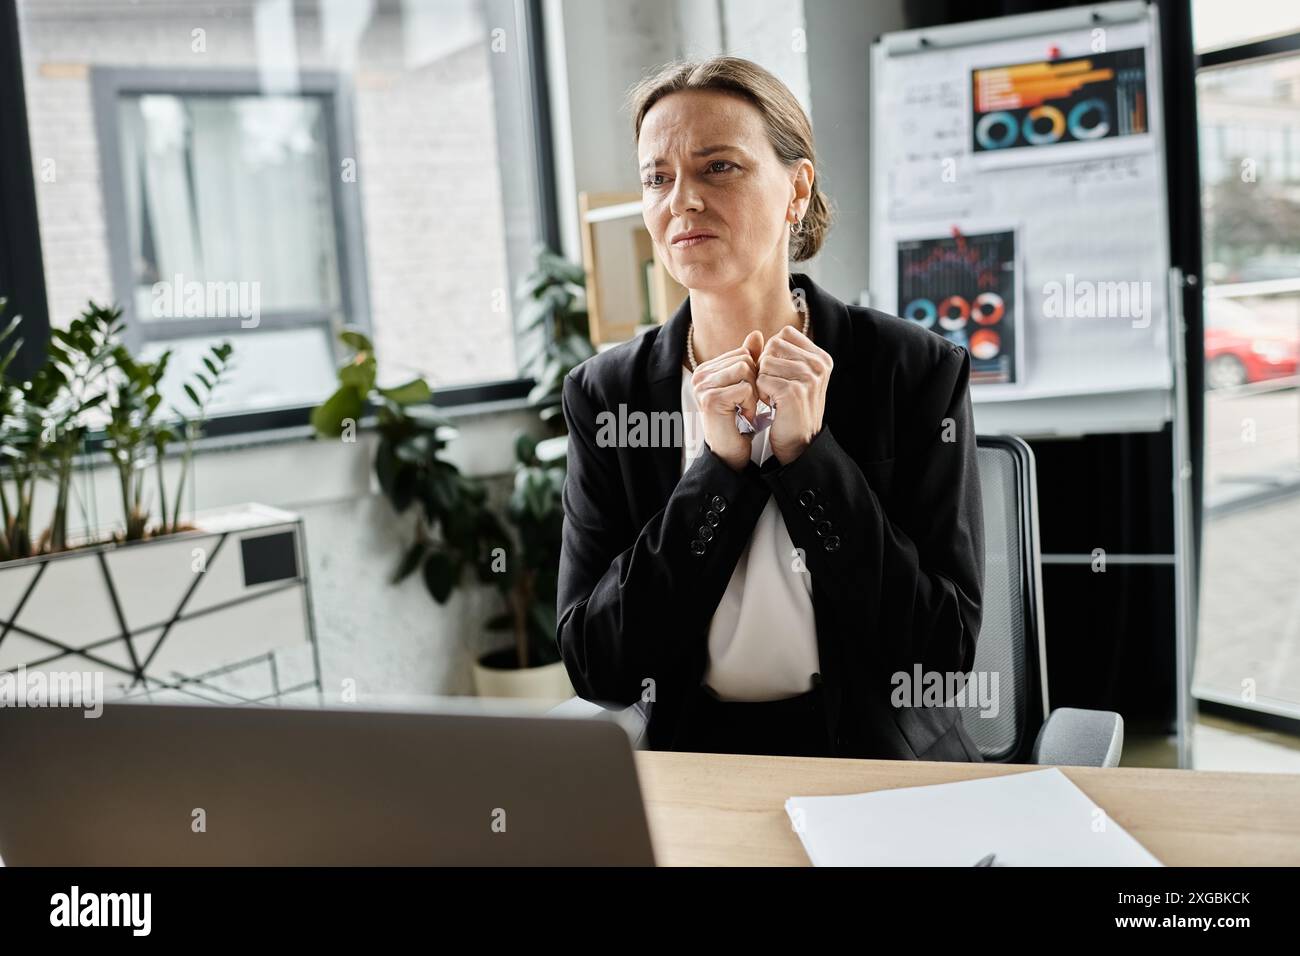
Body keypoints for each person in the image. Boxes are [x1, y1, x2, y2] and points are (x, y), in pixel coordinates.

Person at [556, 56, 984, 760]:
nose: (681, 200)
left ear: (796, 187)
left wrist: (808, 460)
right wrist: (716, 474)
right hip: (698, 761)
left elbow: (937, 658)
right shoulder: (608, 396)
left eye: (717, 167)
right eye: (657, 177)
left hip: (877, 759)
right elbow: (599, 667)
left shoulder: (915, 371)